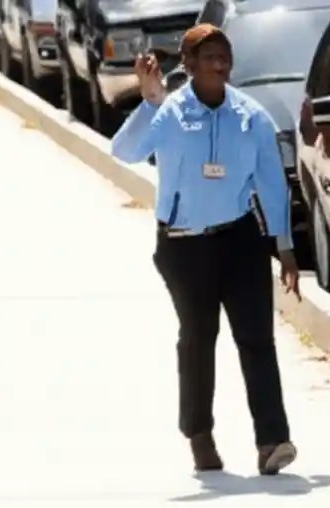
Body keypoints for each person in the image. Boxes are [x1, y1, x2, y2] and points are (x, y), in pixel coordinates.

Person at [110, 24, 300, 475]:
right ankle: (199, 435)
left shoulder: (250, 117)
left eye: (225, 56)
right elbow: (125, 151)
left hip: (240, 240)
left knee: (257, 338)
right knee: (198, 339)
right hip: (182, 247)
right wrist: (149, 98)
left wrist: (285, 246)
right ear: (189, 66)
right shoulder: (170, 112)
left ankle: (272, 441)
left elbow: (272, 184)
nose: (220, 64)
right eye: (210, 57)